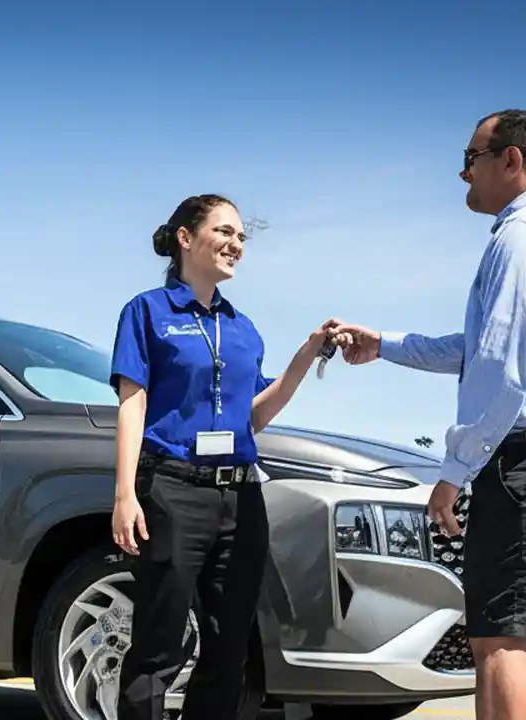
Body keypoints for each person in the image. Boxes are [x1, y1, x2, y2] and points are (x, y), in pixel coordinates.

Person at [328, 109, 526, 720]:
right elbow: (481, 345)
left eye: (471, 158)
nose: (463, 174)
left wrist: (456, 470)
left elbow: (502, 368)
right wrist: (385, 343)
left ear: (511, 160)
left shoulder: (522, 237)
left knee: (499, 641)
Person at [109, 193, 335, 720]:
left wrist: (304, 356)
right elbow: (132, 404)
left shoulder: (242, 328)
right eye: (224, 232)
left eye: (241, 237)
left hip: (241, 498)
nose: (236, 244)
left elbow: (253, 414)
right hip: (171, 491)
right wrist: (125, 495)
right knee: (158, 646)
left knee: (228, 647)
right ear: (186, 238)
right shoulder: (147, 311)